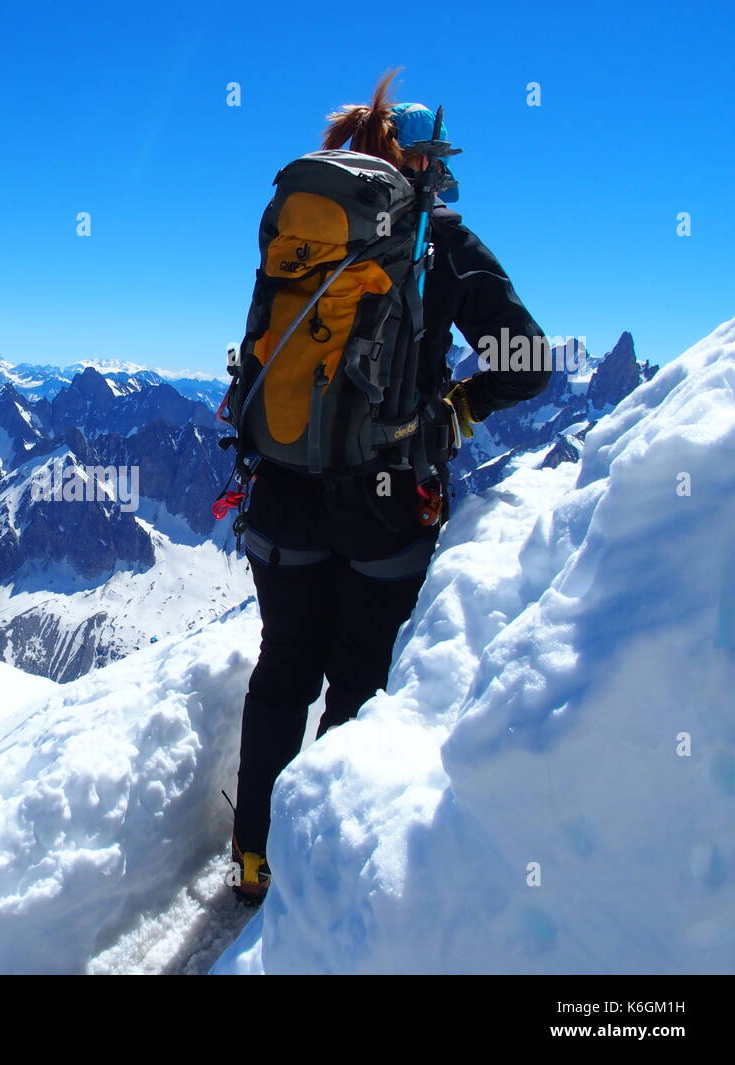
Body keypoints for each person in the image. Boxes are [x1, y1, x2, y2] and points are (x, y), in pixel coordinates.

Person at [229, 72, 551, 903]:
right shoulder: (438, 238)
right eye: (437, 159)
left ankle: (254, 855)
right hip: (386, 503)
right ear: (421, 161)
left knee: (283, 669)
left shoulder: (301, 234)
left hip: (280, 491)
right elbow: (529, 359)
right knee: (360, 678)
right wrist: (460, 406)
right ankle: (319, 882)